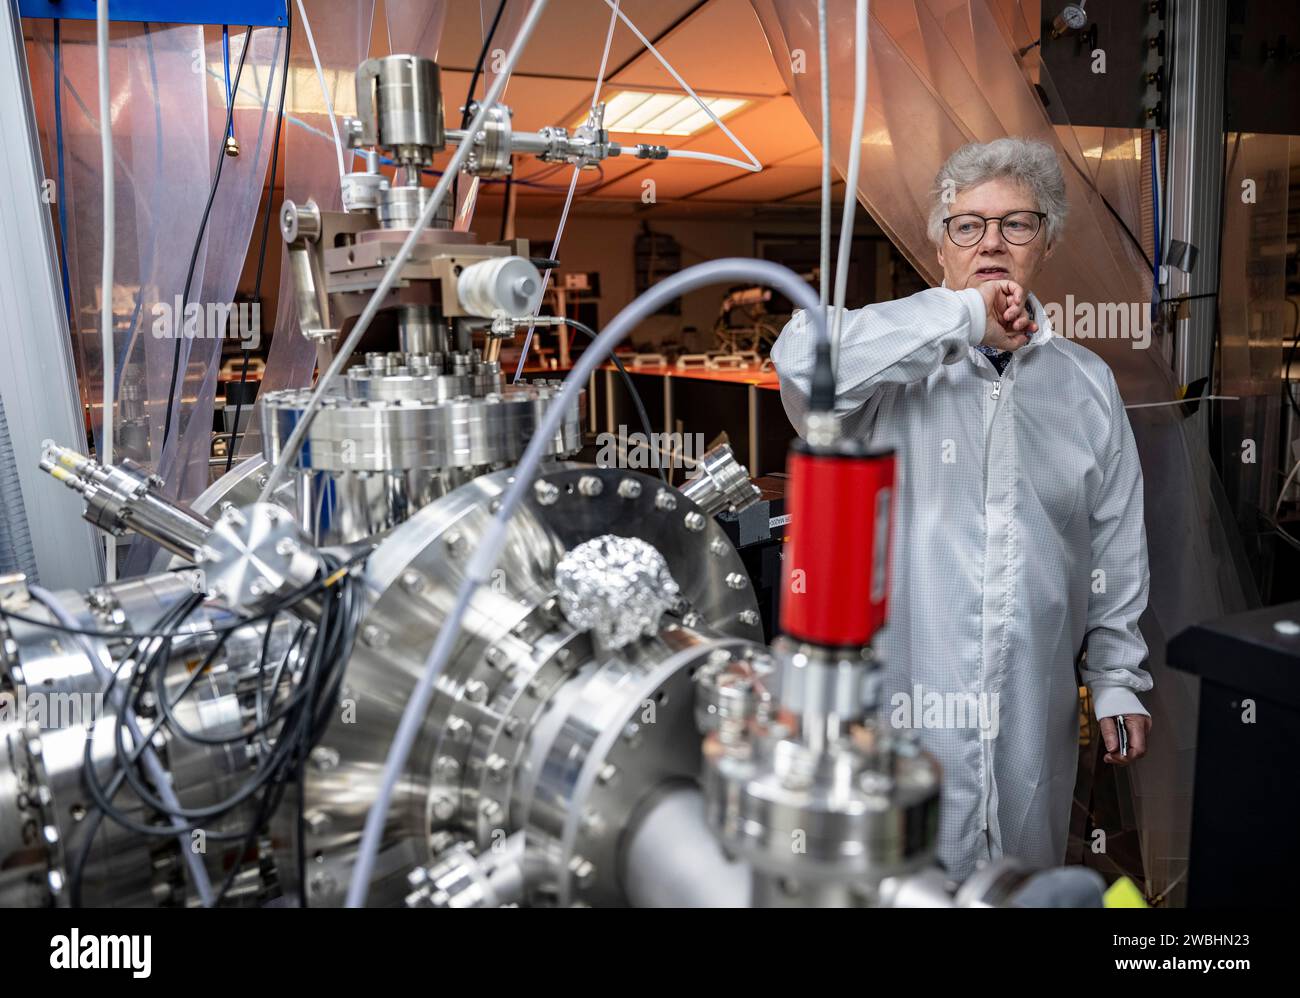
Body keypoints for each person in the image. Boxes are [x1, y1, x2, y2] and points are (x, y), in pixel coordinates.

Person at [770, 136, 1153, 881]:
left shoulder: (1085, 384)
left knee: (1019, 877)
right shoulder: (889, 366)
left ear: (1046, 243)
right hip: (906, 701)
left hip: (1032, 702)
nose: (991, 244)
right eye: (968, 225)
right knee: (902, 880)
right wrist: (958, 319)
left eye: (1017, 224)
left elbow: (1116, 545)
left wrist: (1116, 675)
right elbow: (800, 364)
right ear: (940, 246)